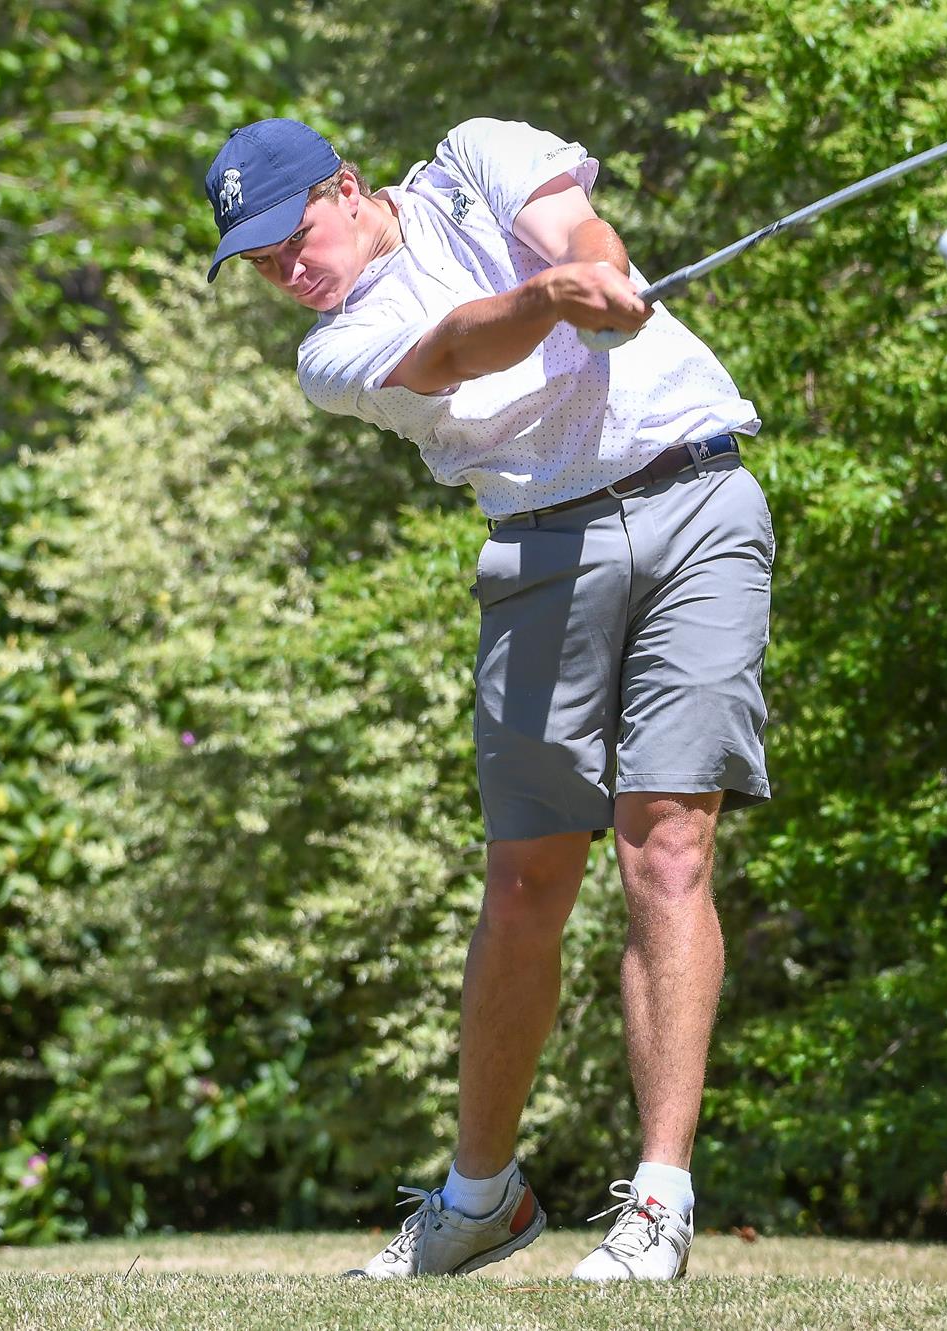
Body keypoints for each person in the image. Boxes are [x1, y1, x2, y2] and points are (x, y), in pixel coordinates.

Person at [201, 116, 774, 1282]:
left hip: (697, 499)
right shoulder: (333, 350)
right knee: (525, 879)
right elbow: (457, 345)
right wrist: (555, 300)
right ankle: (479, 1197)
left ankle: (658, 1200)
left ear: (347, 187)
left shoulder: (471, 154)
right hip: (542, 549)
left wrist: (595, 270)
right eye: (259, 266)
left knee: (666, 843)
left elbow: (567, 224)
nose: (286, 273)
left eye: (290, 238)